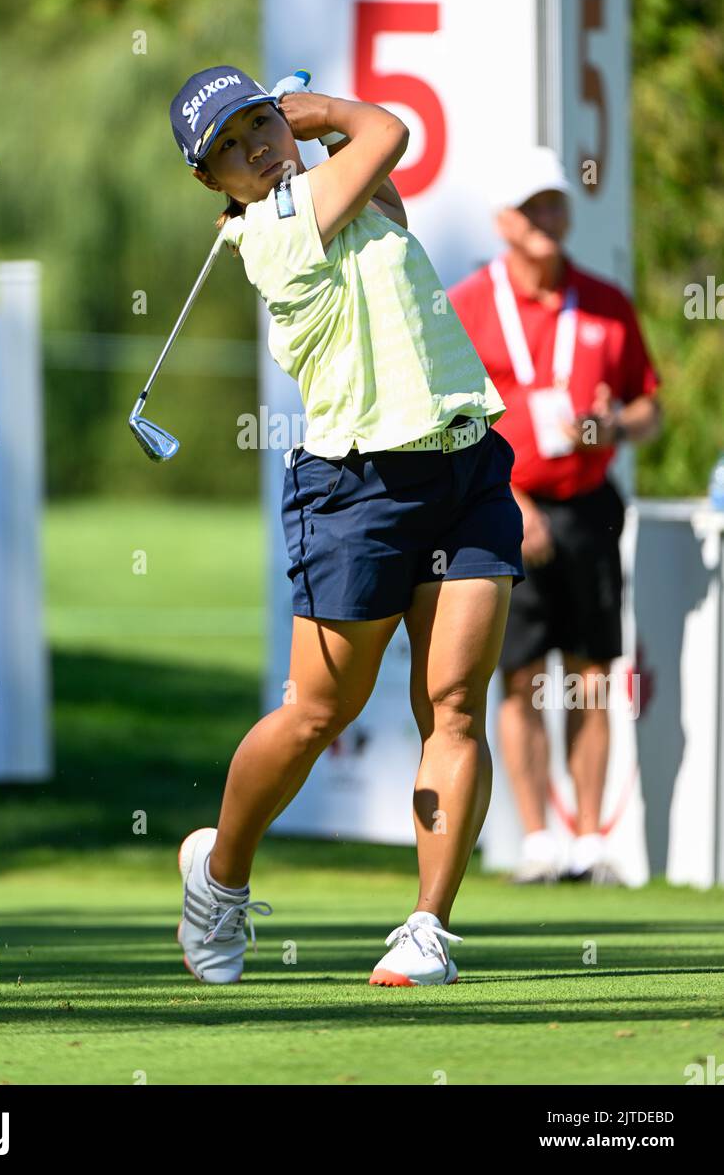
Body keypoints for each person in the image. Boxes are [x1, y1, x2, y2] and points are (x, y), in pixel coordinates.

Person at [168, 65, 524, 986]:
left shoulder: (344, 204)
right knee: (318, 711)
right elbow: (390, 131)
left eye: (261, 126)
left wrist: (315, 134)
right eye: (232, 148)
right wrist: (321, 113)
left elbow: (383, 186)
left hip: (465, 463)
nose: (256, 149)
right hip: (356, 490)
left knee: (452, 705)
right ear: (215, 184)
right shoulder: (270, 232)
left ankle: (425, 928)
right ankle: (219, 876)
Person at [448, 147, 661, 886]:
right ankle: (539, 837)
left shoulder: (605, 302)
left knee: (592, 676)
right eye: (531, 206)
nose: (546, 218)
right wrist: (508, 499)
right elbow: (454, 422)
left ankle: (590, 839)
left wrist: (618, 429)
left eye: (554, 204)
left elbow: (648, 406)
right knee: (520, 678)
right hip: (506, 508)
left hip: (590, 509)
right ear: (503, 220)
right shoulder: (470, 303)